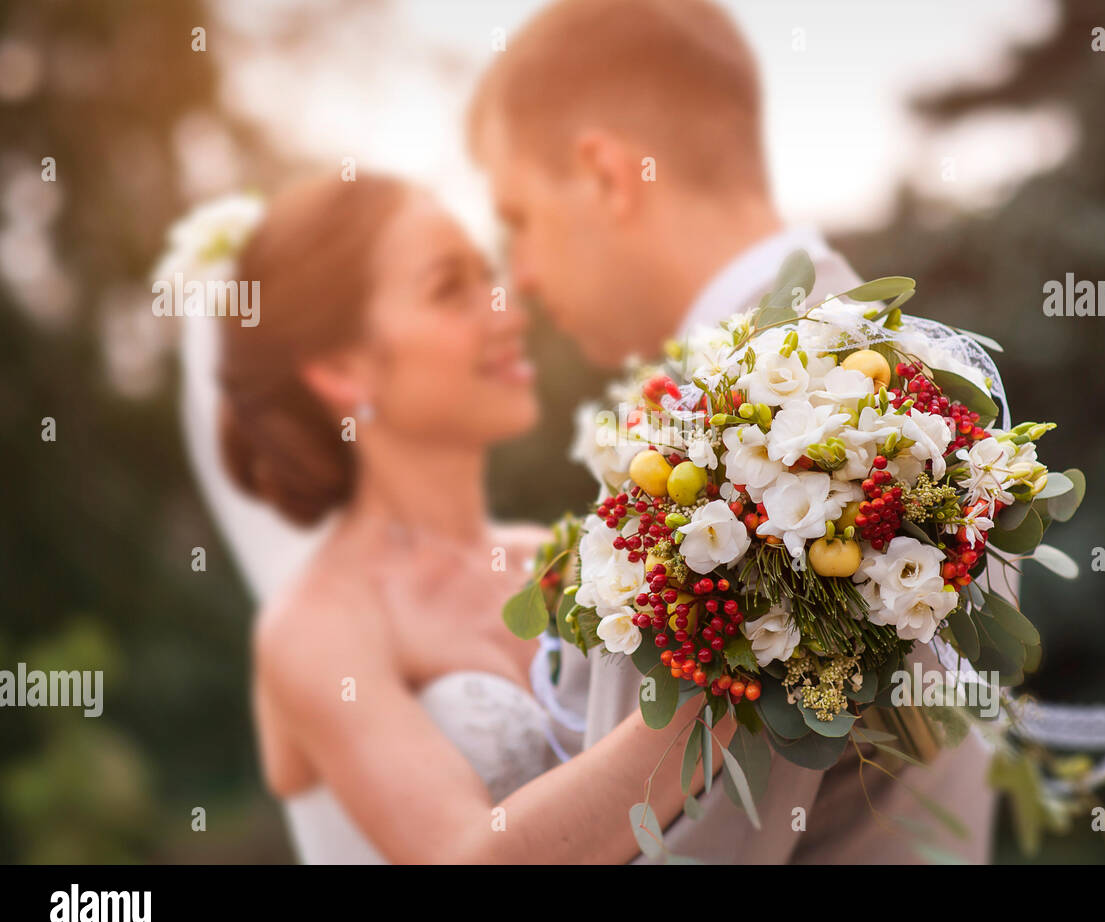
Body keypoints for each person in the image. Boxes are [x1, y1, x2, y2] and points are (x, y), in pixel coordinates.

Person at [469, 0, 997, 863]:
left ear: (605, 175)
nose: (520, 274)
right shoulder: (908, 383)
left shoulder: (754, 441)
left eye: (518, 217)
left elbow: (669, 845)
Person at [183, 172, 727, 863]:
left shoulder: (560, 555)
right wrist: (738, 672)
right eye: (449, 288)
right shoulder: (315, 628)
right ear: (341, 370)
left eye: (488, 274)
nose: (508, 313)